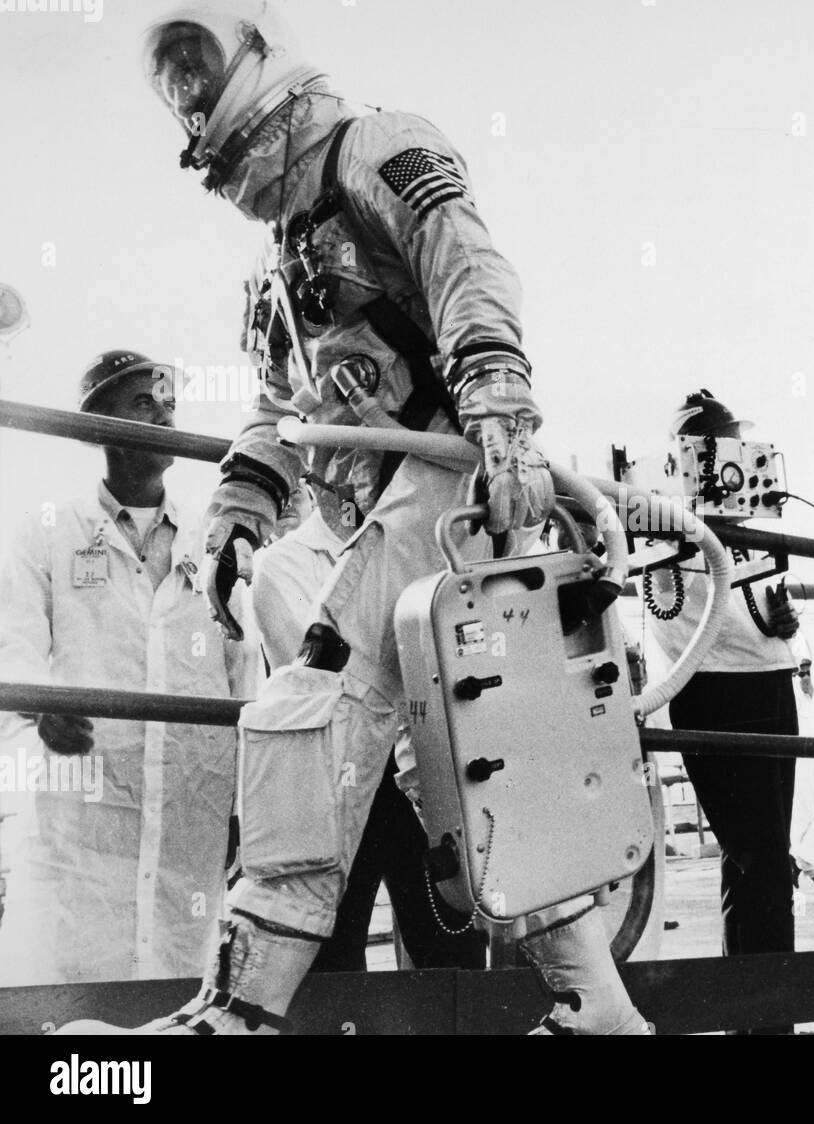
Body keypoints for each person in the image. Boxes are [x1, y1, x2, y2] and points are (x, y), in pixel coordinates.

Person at [61, 2, 646, 1035]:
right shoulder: (278, 266)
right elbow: (280, 407)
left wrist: (502, 411)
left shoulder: (379, 147)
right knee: (469, 761)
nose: (190, 106)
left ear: (256, 63)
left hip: (449, 494)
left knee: (317, 702)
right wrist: (244, 499)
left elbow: (466, 264)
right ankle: (597, 1003)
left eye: (197, 73)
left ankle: (237, 1012)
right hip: (367, 511)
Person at [0, 351, 254, 985]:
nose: (163, 418)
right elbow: (13, 647)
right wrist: (42, 706)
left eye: (170, 405)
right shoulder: (46, 532)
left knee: (177, 985)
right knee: (70, 991)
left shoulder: (211, 544)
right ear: (96, 425)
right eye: (143, 404)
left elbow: (242, 671)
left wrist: (242, 810)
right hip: (83, 808)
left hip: (187, 809)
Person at [249, 493, 485, 972]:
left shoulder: (421, 544)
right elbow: (328, 686)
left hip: (415, 770)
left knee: (449, 939)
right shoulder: (279, 565)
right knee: (335, 949)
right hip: (342, 776)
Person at [645, 391, 801, 981]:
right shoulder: (662, 520)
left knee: (754, 863)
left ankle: (754, 1007)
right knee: (761, 862)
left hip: (767, 683)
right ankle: (766, 1009)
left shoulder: (748, 529)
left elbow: (761, 615)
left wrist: (782, 620)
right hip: (711, 689)